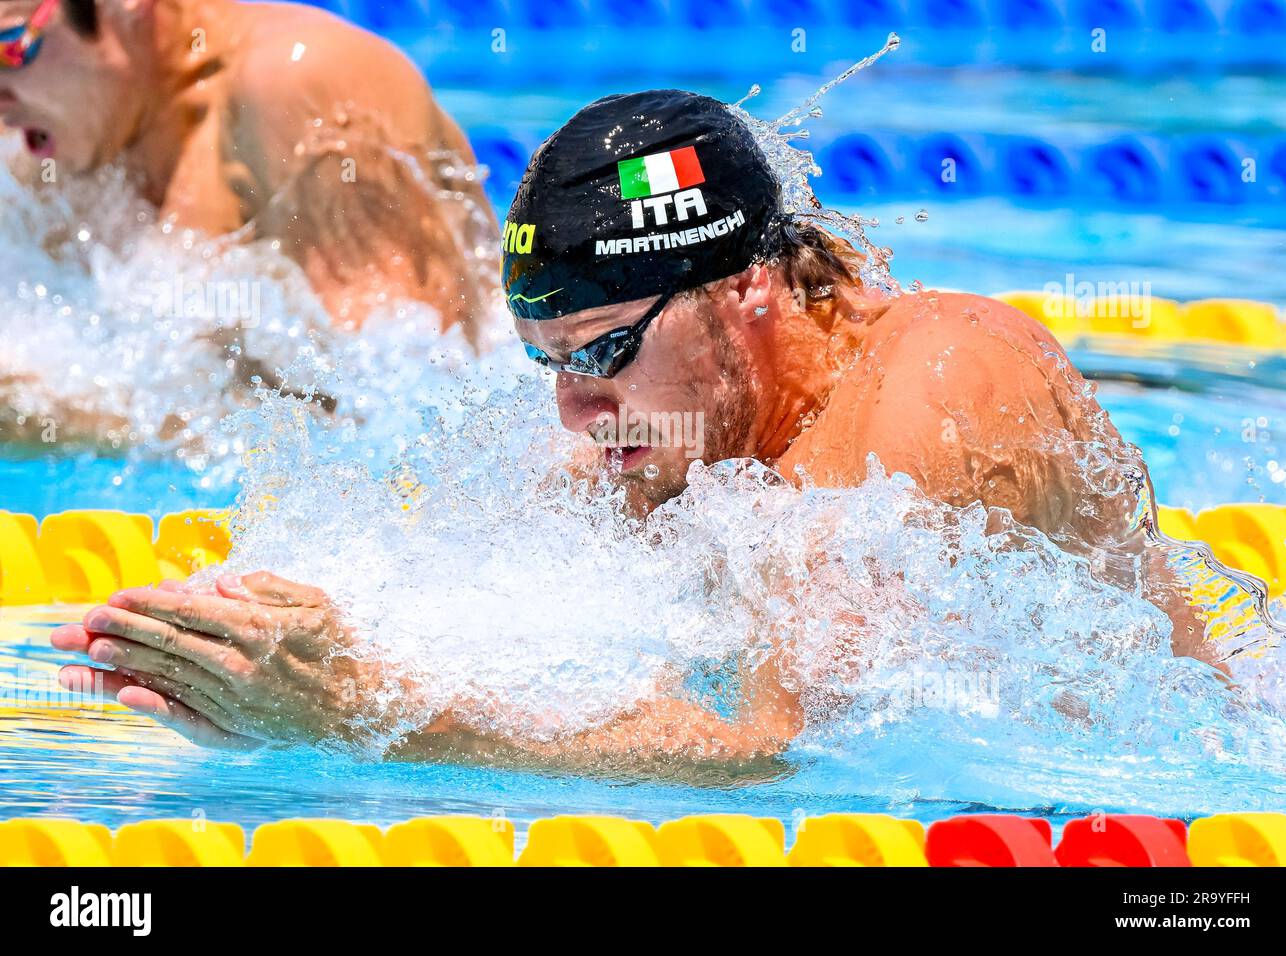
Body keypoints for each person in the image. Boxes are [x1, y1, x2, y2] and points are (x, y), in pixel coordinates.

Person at [50, 90, 1214, 770]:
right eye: (548, 363)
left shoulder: (944, 381)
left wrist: (370, 717)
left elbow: (776, 745)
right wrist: (257, 647)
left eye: (604, 348)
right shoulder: (664, 425)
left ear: (748, 290)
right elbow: (489, 609)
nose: (575, 407)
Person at [0, 0, 498, 338]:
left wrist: (47, 410)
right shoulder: (59, 140)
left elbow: (413, 409)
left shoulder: (296, 85)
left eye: (11, 47)